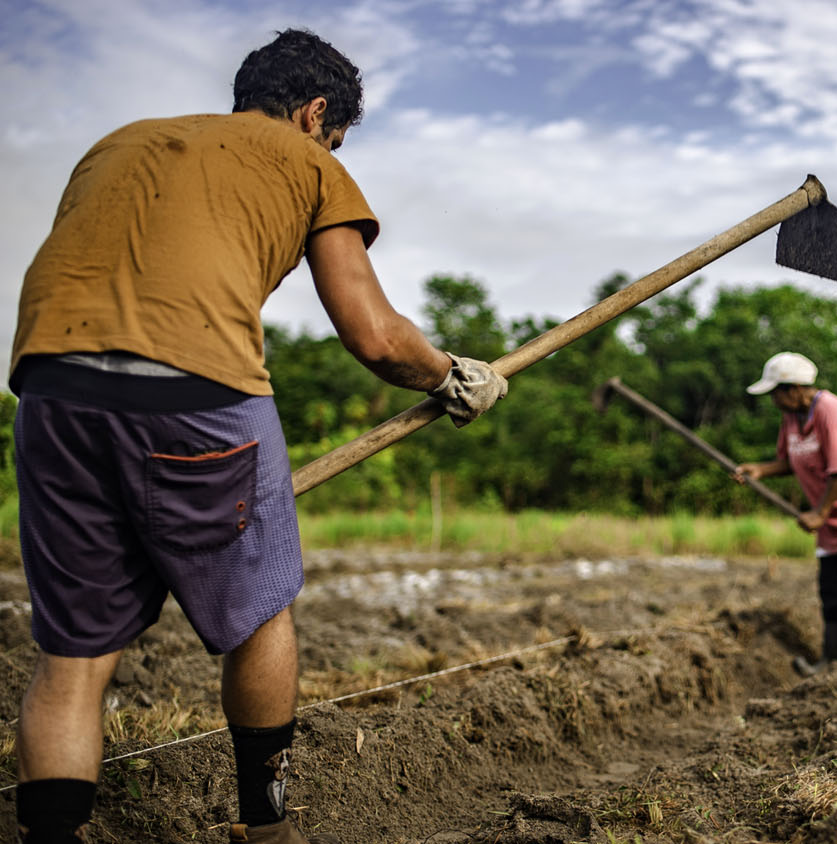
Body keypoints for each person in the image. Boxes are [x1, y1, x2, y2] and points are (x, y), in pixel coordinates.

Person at [8, 29, 506, 844]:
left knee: (72, 658)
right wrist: (452, 373)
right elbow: (376, 336)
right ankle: (267, 832)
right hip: (200, 390)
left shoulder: (116, 145)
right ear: (316, 115)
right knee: (262, 612)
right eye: (336, 135)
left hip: (51, 391)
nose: (334, 146)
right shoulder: (309, 162)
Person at [733, 352, 837, 677]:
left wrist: (819, 513)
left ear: (795, 388)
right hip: (829, 516)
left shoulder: (832, 413)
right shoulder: (792, 417)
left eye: (776, 393)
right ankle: (831, 664)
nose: (773, 400)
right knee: (830, 590)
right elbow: (790, 461)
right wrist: (760, 471)